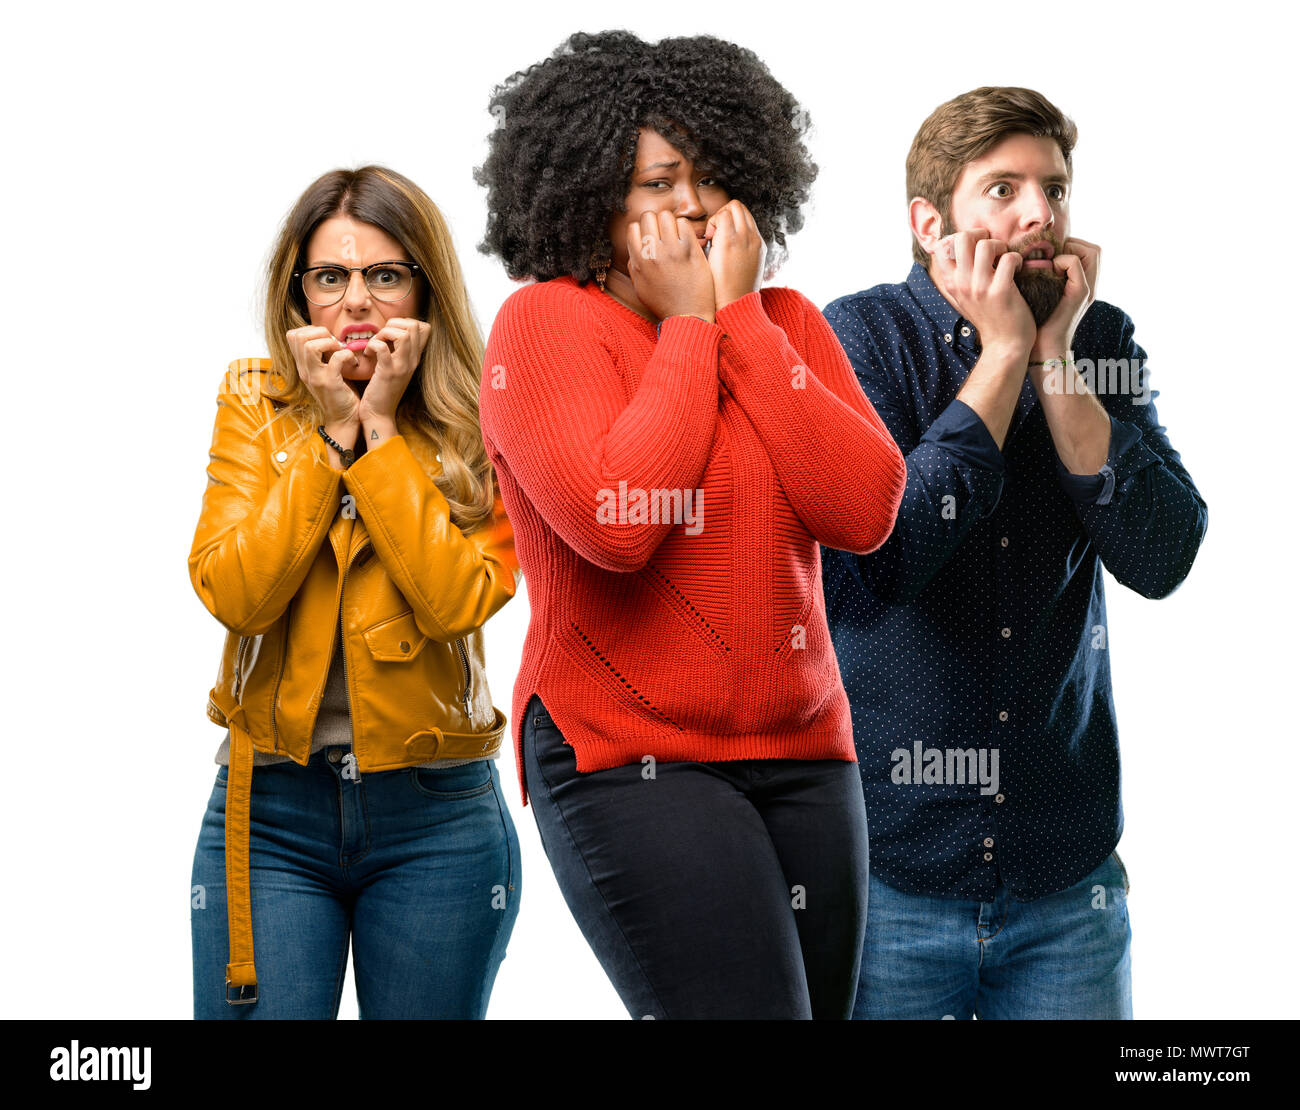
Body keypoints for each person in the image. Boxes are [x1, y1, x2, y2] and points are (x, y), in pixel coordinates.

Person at [474, 30, 906, 1019]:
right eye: (659, 182)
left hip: (807, 755)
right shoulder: (545, 325)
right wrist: (688, 328)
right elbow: (615, 522)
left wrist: (741, 323)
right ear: (588, 200)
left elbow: (864, 511)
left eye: (710, 178)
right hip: (627, 751)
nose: (694, 205)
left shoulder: (787, 324)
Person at [820, 87, 1209, 1019]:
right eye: (1004, 190)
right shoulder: (857, 339)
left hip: (1067, 883)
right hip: (894, 883)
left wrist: (1054, 359)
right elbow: (891, 557)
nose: (1041, 214)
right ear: (929, 222)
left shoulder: (1097, 338)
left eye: (1055, 189)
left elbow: (1163, 554)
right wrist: (999, 359)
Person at [188, 165, 522, 1019]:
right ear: (298, 296)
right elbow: (235, 593)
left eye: (384, 274)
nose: (357, 304)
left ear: (423, 289)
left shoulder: (483, 415)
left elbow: (459, 602)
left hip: (438, 815)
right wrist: (332, 428)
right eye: (330, 278)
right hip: (269, 809)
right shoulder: (252, 404)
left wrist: (379, 437)